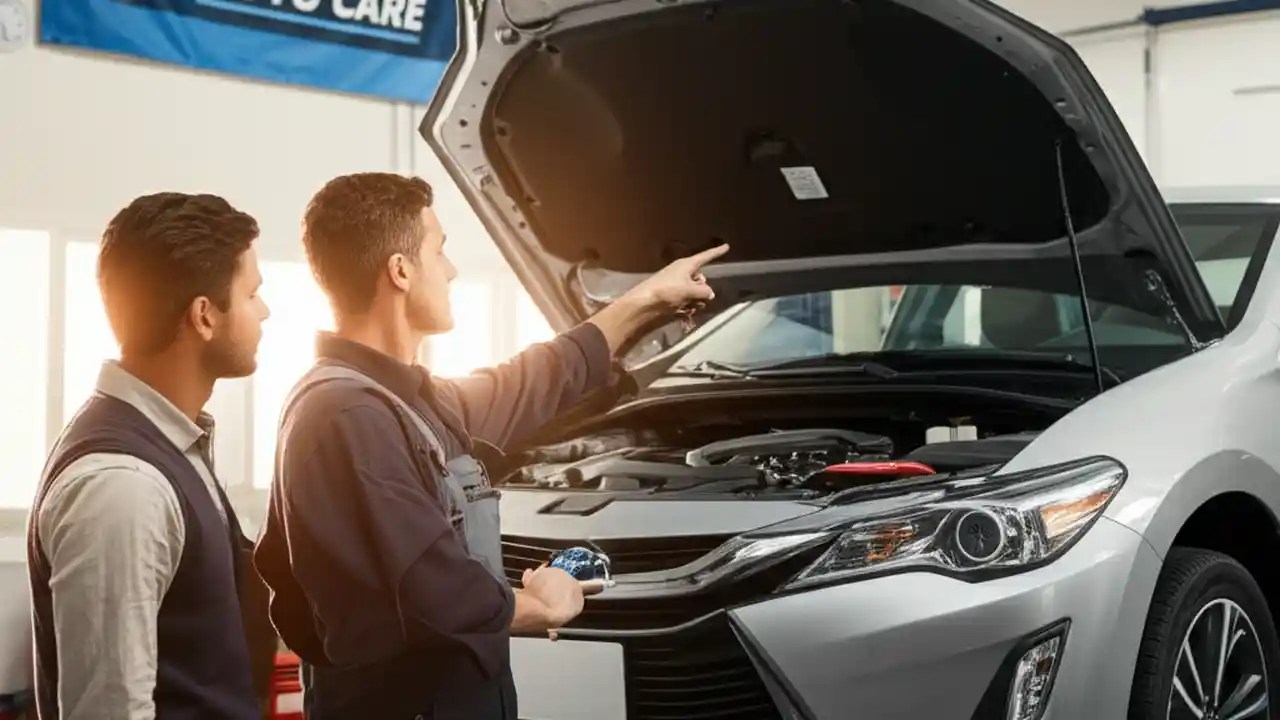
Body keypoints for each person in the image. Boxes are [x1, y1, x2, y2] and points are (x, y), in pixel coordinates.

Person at [252, 172, 727, 720]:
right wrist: (547, 603)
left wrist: (645, 301)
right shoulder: (347, 416)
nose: (450, 270)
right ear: (400, 271)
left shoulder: (411, 400)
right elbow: (436, 595)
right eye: (441, 250)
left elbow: (538, 377)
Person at [26, 193, 274, 720]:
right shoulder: (123, 485)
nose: (265, 311)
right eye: (252, 294)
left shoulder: (172, 445)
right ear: (204, 315)